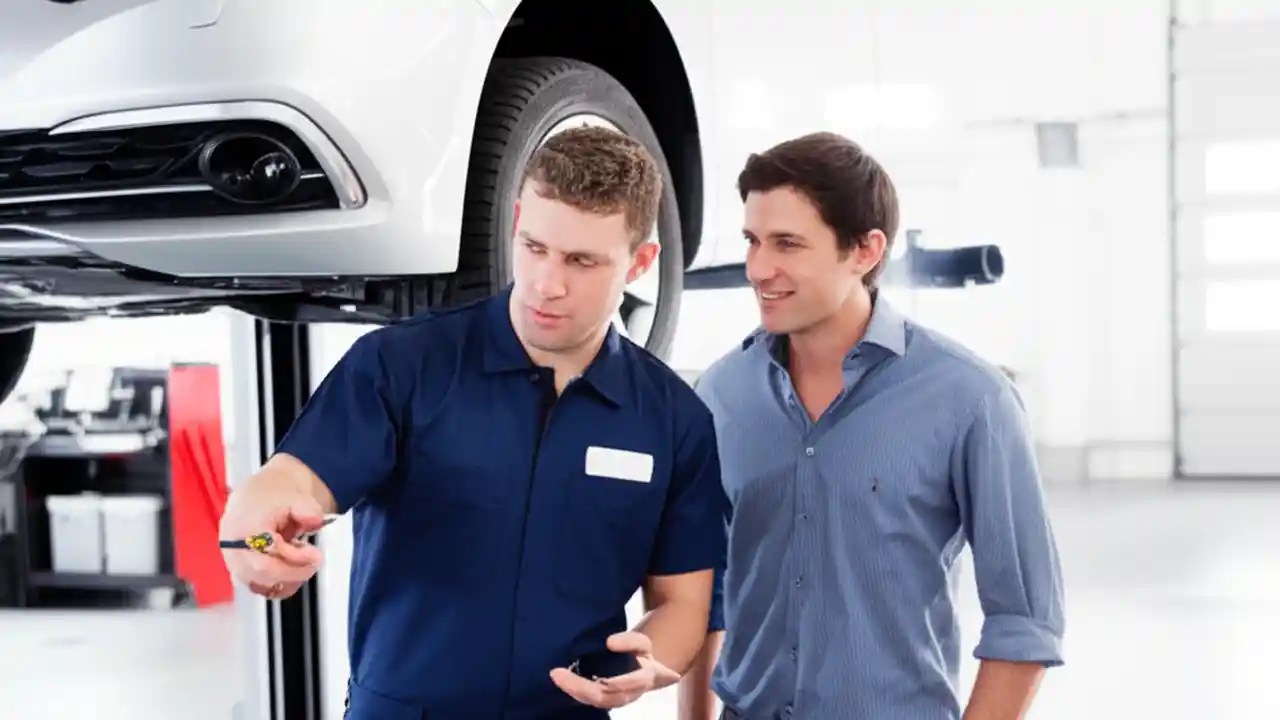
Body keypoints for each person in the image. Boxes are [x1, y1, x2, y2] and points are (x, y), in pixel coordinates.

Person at [218, 126, 730, 719]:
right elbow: (294, 482)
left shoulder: (675, 420)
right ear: (516, 219)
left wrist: (646, 665)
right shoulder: (401, 366)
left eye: (582, 261)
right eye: (535, 246)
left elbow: (684, 604)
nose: (547, 283)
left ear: (640, 262)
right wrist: (252, 525)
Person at [678, 132, 1066, 720]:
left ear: (863, 250)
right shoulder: (722, 394)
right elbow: (709, 594)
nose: (759, 268)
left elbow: (1025, 620)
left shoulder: (970, 399)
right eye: (753, 241)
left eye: (787, 244)